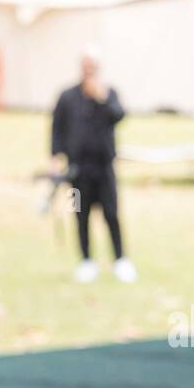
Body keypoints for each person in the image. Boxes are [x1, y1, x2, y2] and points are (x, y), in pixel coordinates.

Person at [51, 48, 137, 283]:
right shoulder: (67, 96)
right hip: (78, 171)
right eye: (86, 64)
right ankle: (86, 261)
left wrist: (102, 97)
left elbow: (119, 115)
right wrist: (56, 158)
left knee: (111, 214)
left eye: (93, 65)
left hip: (104, 169)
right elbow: (57, 128)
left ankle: (120, 260)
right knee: (80, 214)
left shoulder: (109, 93)